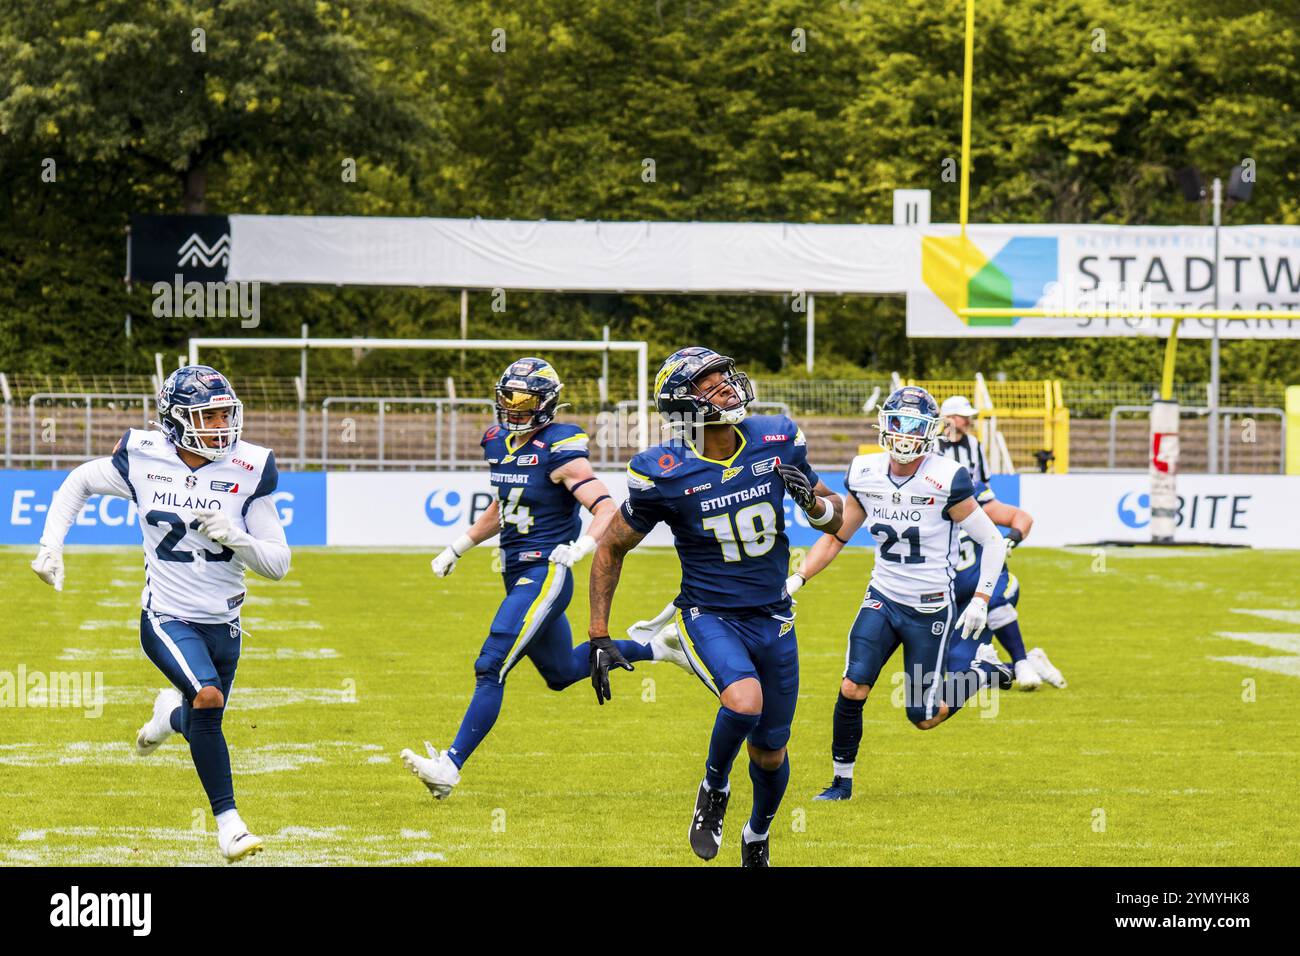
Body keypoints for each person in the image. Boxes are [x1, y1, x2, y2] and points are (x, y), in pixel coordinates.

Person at [586, 346, 843, 866]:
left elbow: (834, 520)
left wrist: (814, 505)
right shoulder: (662, 470)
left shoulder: (776, 437)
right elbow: (612, 546)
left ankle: (756, 834)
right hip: (709, 614)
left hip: (773, 615)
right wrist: (598, 633)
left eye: (724, 374)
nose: (726, 384)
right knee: (743, 702)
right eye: (709, 381)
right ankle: (714, 787)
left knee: (771, 752)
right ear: (685, 405)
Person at [30, 365, 290, 861]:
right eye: (208, 416)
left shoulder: (249, 468)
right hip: (166, 616)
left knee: (196, 721)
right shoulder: (145, 457)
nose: (222, 426)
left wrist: (235, 536)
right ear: (175, 420)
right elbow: (78, 481)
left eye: (224, 415)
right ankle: (229, 825)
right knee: (209, 701)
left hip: (225, 623)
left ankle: (165, 718)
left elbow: (277, 565)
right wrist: (51, 546)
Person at [400, 358, 687, 800]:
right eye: (508, 398)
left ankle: (449, 766)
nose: (513, 408)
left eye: (525, 400)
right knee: (561, 672)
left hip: (546, 571)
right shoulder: (497, 441)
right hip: (515, 570)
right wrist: (458, 546)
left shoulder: (560, 446)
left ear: (547, 403)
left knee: (491, 664)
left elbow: (606, 509)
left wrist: (583, 547)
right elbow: (505, 504)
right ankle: (658, 646)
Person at [789, 386, 1011, 803]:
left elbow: (993, 542)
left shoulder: (946, 477)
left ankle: (981, 672)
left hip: (930, 608)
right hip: (883, 596)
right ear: (883, 425)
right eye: (898, 423)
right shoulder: (865, 470)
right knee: (853, 687)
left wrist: (981, 599)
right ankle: (841, 781)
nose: (905, 435)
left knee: (921, 717)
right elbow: (837, 536)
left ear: (930, 432)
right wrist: (797, 579)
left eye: (915, 427)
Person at [936, 394, 991, 485]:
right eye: (964, 417)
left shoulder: (974, 443)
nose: (969, 421)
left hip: (969, 498)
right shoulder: (933, 444)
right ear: (948, 418)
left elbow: (984, 483)